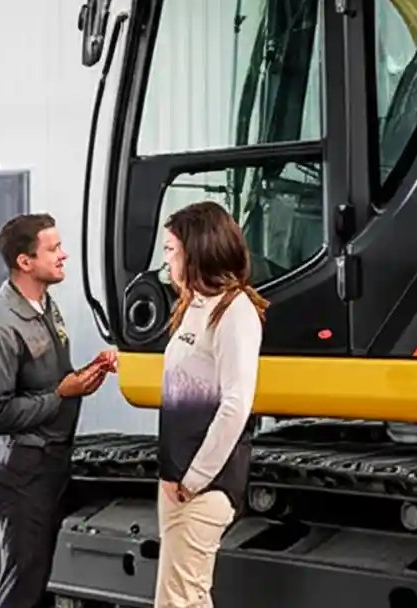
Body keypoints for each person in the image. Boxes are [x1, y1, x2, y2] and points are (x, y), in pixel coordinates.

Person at [0, 212, 117, 608]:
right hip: (22, 471)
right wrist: (61, 394)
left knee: (38, 584)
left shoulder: (45, 306)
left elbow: (51, 382)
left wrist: (88, 374)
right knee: (23, 584)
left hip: (49, 463)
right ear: (25, 262)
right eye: (54, 249)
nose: (64, 255)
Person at [155, 201, 267, 608]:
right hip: (178, 480)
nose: (166, 261)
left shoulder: (235, 312)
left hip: (203, 485)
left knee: (179, 600)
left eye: (171, 250)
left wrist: (194, 479)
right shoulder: (194, 306)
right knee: (185, 598)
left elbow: (236, 404)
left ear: (197, 251)